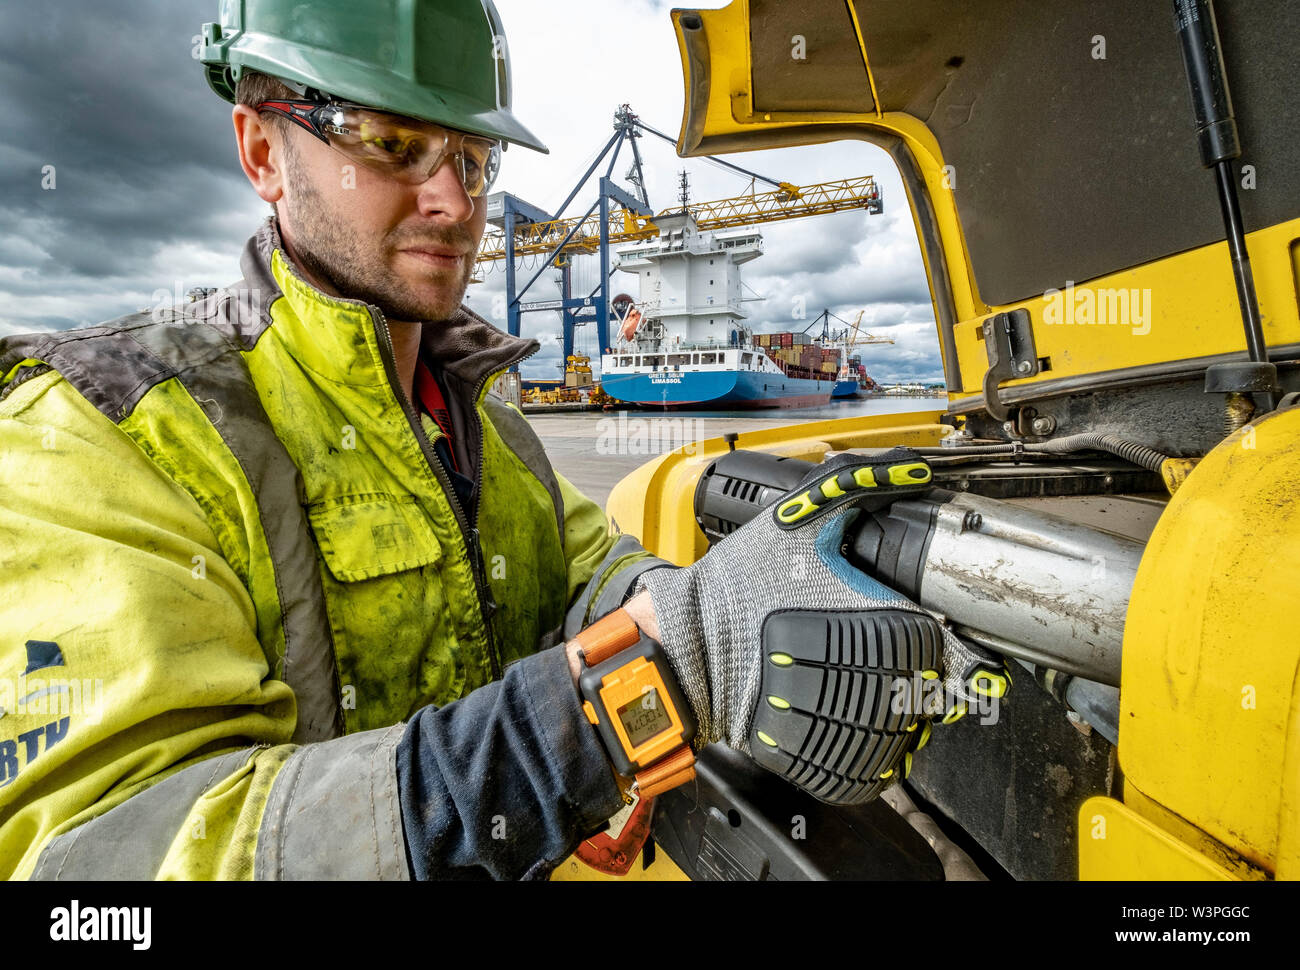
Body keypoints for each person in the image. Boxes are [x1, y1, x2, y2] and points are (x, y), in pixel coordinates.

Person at [0, 0, 975, 881]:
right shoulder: (103, 430)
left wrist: (684, 603)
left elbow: (575, 575)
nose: (455, 204)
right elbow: (117, 862)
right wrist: (627, 701)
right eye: (387, 143)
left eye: (471, 159)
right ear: (261, 152)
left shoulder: (490, 422)